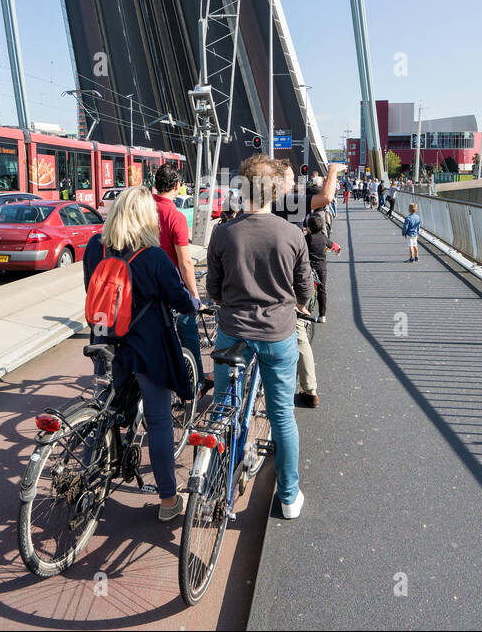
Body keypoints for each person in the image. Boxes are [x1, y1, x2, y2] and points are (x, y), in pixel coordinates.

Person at [83, 186, 201, 521]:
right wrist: (195, 303)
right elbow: (178, 298)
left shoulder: (95, 247)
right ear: (146, 218)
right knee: (160, 420)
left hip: (105, 339)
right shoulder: (152, 256)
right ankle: (167, 501)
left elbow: (91, 288)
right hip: (146, 348)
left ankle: (91, 469)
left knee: (104, 408)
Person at [207, 154, 313, 520]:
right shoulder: (292, 234)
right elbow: (304, 291)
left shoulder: (223, 232)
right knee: (282, 415)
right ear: (276, 192)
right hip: (276, 334)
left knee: (222, 410)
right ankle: (288, 497)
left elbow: (214, 288)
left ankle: (214, 486)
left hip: (232, 332)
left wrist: (228, 300)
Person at [152, 162, 209, 396]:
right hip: (169, 285)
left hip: (144, 284)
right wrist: (195, 297)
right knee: (188, 327)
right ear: (177, 186)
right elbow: (185, 262)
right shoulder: (175, 216)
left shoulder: (144, 209)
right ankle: (195, 380)